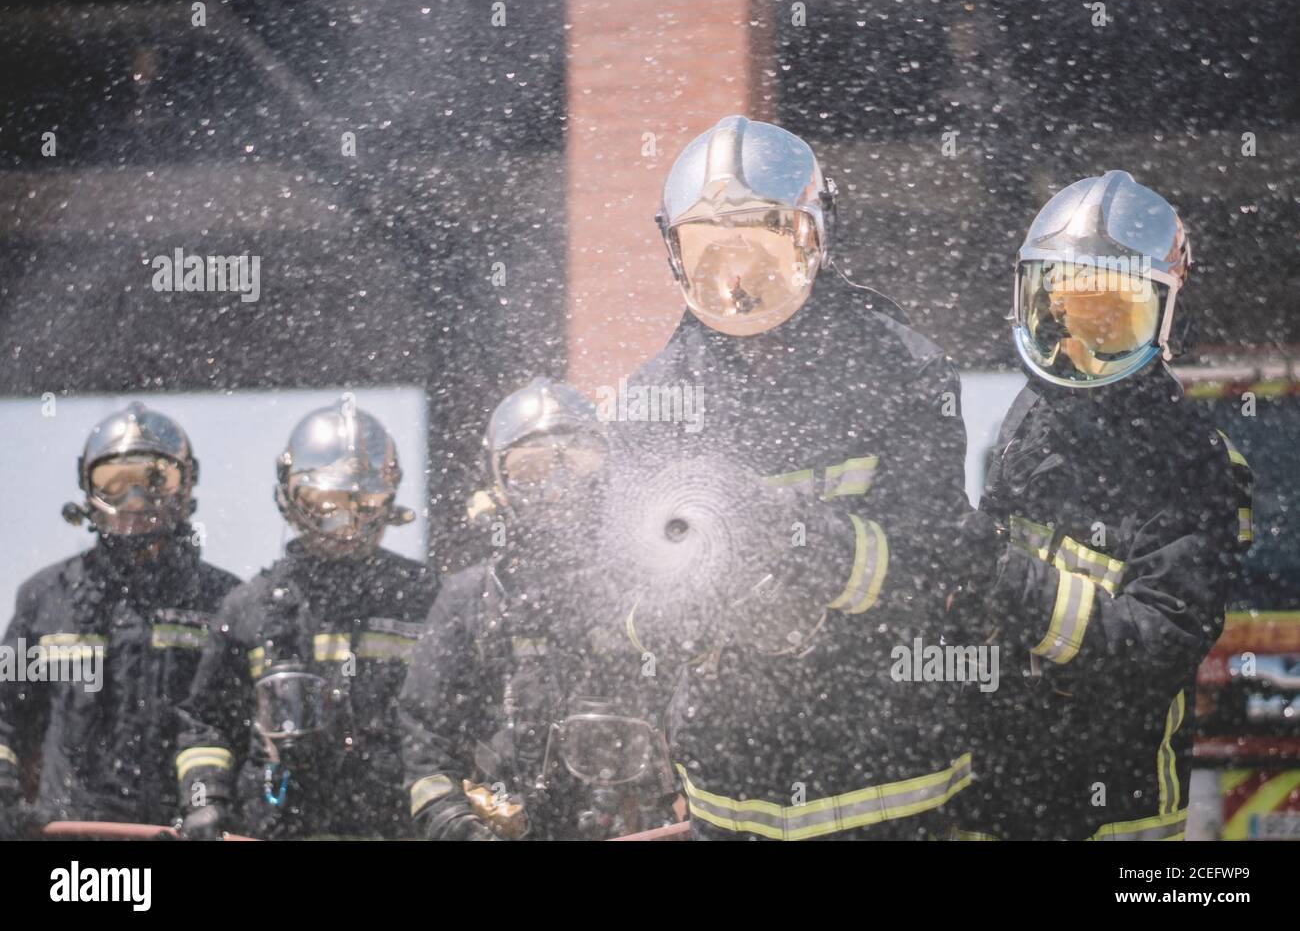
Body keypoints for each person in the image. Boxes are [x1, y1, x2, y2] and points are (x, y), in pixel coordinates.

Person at [611, 115, 973, 840]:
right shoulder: (652, 400)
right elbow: (623, 590)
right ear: (675, 254)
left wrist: (807, 547)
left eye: (762, 249)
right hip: (731, 802)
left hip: (895, 795)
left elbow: (941, 561)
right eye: (712, 254)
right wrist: (699, 615)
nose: (738, 283)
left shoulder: (903, 370)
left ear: (814, 238)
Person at [949, 170, 1252, 840]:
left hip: (1115, 811)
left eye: (1108, 323)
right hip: (998, 792)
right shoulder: (1029, 414)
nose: (1075, 352)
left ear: (1163, 319)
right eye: (1061, 318)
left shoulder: (1193, 465)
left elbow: (1157, 645)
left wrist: (1006, 580)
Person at [400, 378, 676, 840]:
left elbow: (695, 713)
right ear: (498, 485)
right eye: (532, 470)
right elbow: (422, 736)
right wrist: (455, 823)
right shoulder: (469, 599)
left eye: (579, 463)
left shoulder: (648, 587)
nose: (559, 489)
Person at [175, 398, 437, 839]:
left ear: (390, 498)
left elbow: (459, 719)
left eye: (363, 502)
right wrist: (205, 801)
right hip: (279, 828)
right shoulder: (248, 607)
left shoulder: (428, 600)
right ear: (287, 498)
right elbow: (206, 723)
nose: (344, 523)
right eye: (323, 502)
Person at [0, 402, 239, 837]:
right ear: (86, 488)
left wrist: (208, 807)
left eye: (154, 482)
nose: (135, 502)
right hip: (69, 845)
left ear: (186, 486)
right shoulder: (45, 598)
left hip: (182, 835)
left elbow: (227, 723)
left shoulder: (223, 601)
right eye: (113, 484)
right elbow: (5, 713)